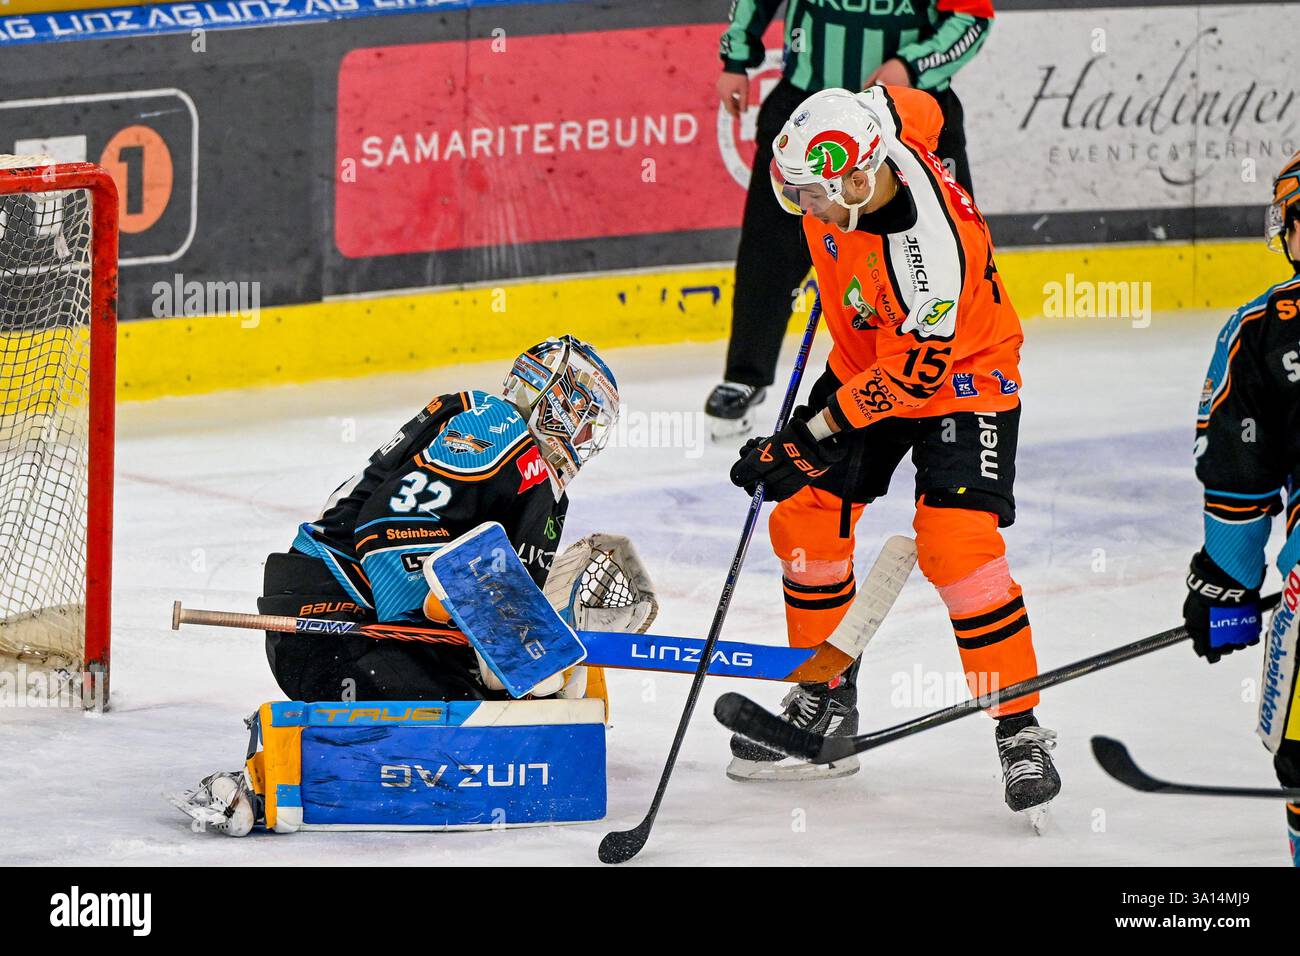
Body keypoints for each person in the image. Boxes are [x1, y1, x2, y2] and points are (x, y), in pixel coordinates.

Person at [726, 85, 1060, 820]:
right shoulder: (875, 119)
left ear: (855, 180)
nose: (803, 211)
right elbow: (930, 108)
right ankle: (826, 700)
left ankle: (1019, 727)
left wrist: (806, 438)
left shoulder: (926, 259)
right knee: (806, 520)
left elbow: (911, 382)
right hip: (869, 354)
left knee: (957, 546)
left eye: (811, 196)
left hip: (962, 374)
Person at [257, 334, 619, 703]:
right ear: (557, 406)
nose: (588, 437)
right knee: (482, 720)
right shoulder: (495, 424)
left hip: (368, 628)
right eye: (586, 421)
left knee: (524, 705)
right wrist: (438, 608)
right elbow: (385, 526)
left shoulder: (541, 487)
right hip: (329, 620)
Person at [709, 0, 995, 439]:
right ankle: (746, 373)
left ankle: (959, 372)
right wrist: (737, 56)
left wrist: (913, 65)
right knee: (771, 245)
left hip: (907, 112)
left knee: (953, 250)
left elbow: (972, 19)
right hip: (807, 106)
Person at [1182, 150, 1300, 866]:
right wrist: (1226, 584)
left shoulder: (1263, 330)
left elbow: (1240, 476)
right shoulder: (1263, 333)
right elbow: (1241, 470)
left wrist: (1228, 585)